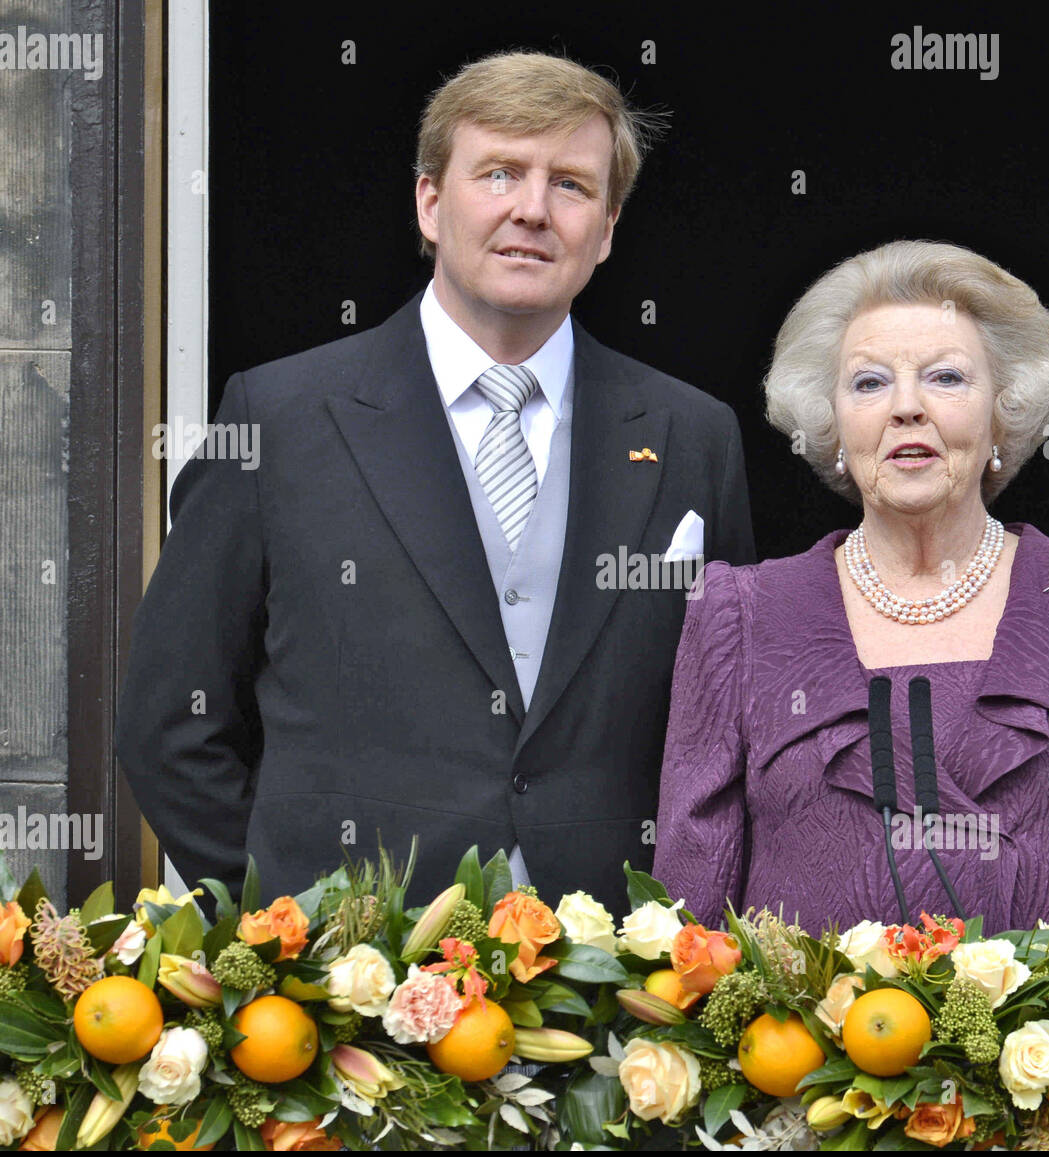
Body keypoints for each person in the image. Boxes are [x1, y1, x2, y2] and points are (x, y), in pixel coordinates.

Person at [115, 51, 755, 915]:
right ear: (429, 202)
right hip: (349, 1002)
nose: (532, 209)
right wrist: (286, 925)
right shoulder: (275, 416)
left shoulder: (693, 435)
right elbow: (170, 723)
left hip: (621, 996)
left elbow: (724, 729)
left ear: (606, 230)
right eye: (499, 173)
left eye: (570, 185)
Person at [653, 239, 1049, 937]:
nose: (906, 408)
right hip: (802, 1049)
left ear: (1001, 416)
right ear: (831, 425)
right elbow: (689, 934)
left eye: (946, 378)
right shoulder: (740, 614)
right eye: (869, 383)